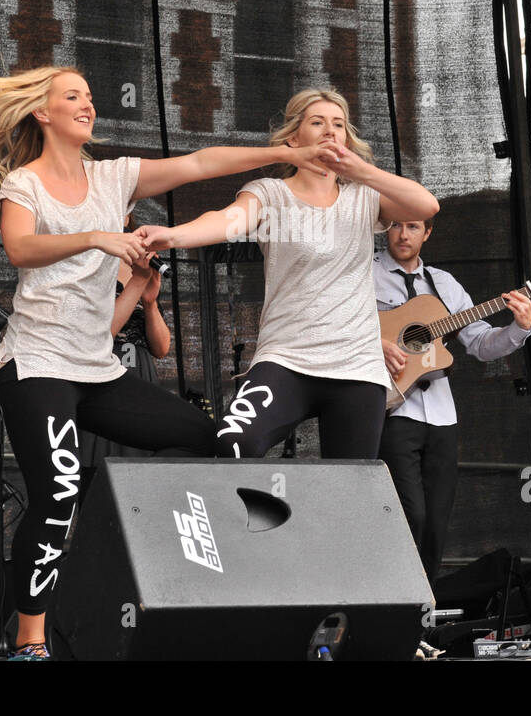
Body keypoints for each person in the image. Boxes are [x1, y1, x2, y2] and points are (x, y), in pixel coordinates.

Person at [0, 66, 334, 661]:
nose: (89, 105)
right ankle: (29, 642)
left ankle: (193, 589)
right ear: (43, 112)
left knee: (215, 440)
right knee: (58, 495)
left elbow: (200, 164)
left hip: (99, 369)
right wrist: (96, 237)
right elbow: (19, 248)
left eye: (90, 95)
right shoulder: (24, 185)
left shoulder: (114, 177)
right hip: (38, 366)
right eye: (74, 97)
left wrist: (285, 151)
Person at [137, 88, 439, 461]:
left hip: (356, 366)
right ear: (294, 138)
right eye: (317, 122)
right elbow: (226, 221)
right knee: (235, 443)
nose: (330, 131)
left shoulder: (365, 197)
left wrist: (359, 169)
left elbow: (426, 205)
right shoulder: (271, 194)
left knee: (350, 485)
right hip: (286, 359)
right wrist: (173, 235)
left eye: (338, 125)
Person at [375, 217, 531, 585]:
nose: (403, 234)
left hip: (442, 418)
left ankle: (421, 615)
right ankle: (393, 597)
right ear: (385, 229)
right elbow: (342, 326)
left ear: (427, 233)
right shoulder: (364, 274)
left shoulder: (444, 284)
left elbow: (479, 343)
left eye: (413, 226)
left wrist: (519, 328)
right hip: (393, 409)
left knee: (436, 522)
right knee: (409, 514)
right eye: (395, 225)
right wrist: (376, 345)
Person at [76, 217, 169, 502]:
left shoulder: (140, 262)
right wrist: (136, 283)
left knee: (139, 476)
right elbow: (104, 332)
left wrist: (150, 303)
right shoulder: (86, 259)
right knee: (96, 474)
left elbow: (162, 347)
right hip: (101, 367)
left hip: (140, 369)